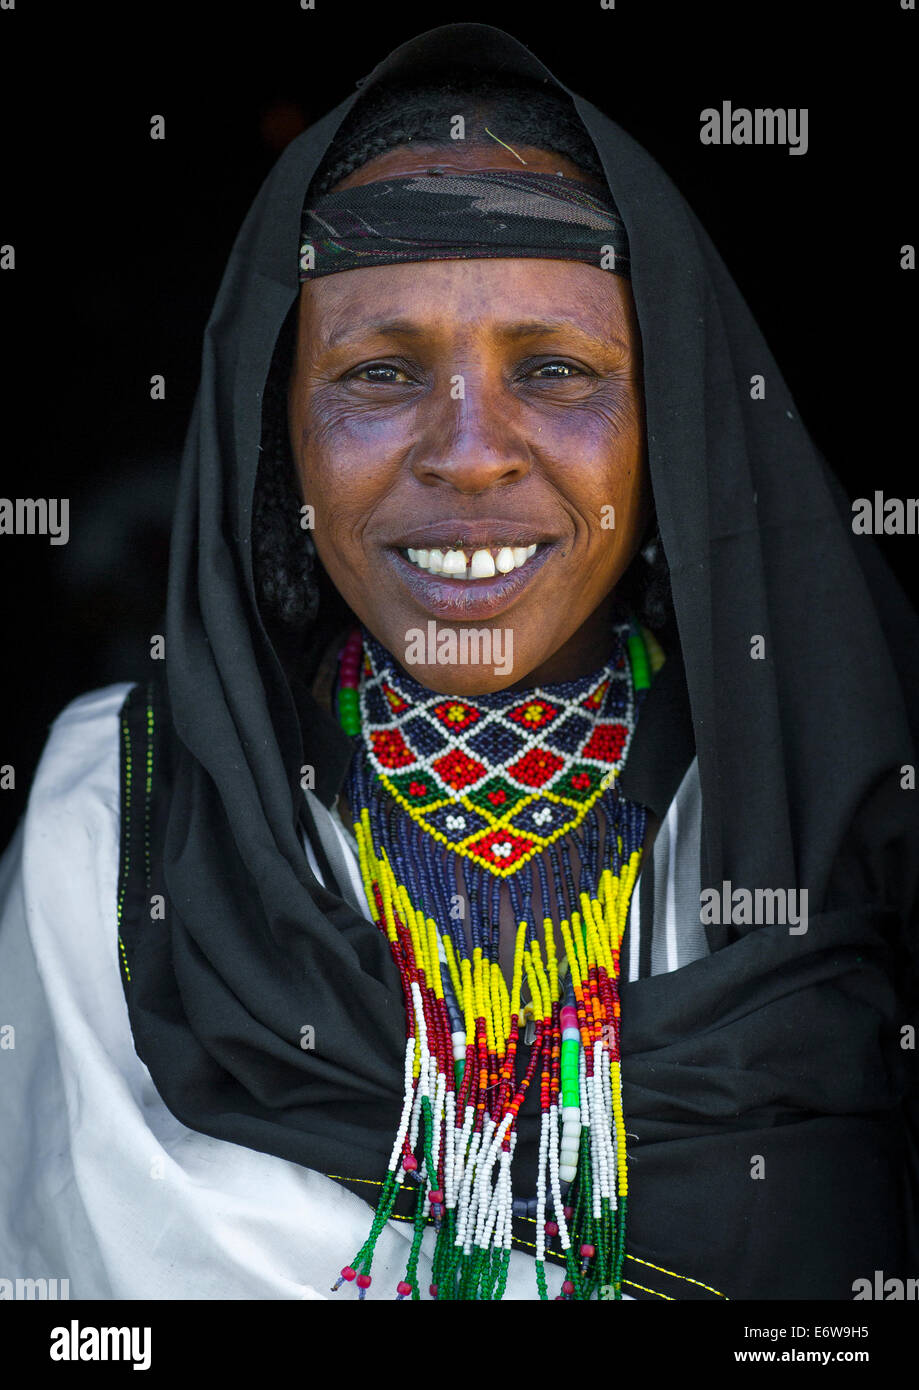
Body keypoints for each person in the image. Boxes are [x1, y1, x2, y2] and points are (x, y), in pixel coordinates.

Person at [1, 21, 917, 1302]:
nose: (469, 452)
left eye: (555, 370)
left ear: (678, 433)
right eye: (378, 373)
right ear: (282, 452)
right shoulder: (115, 815)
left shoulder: (837, 811)